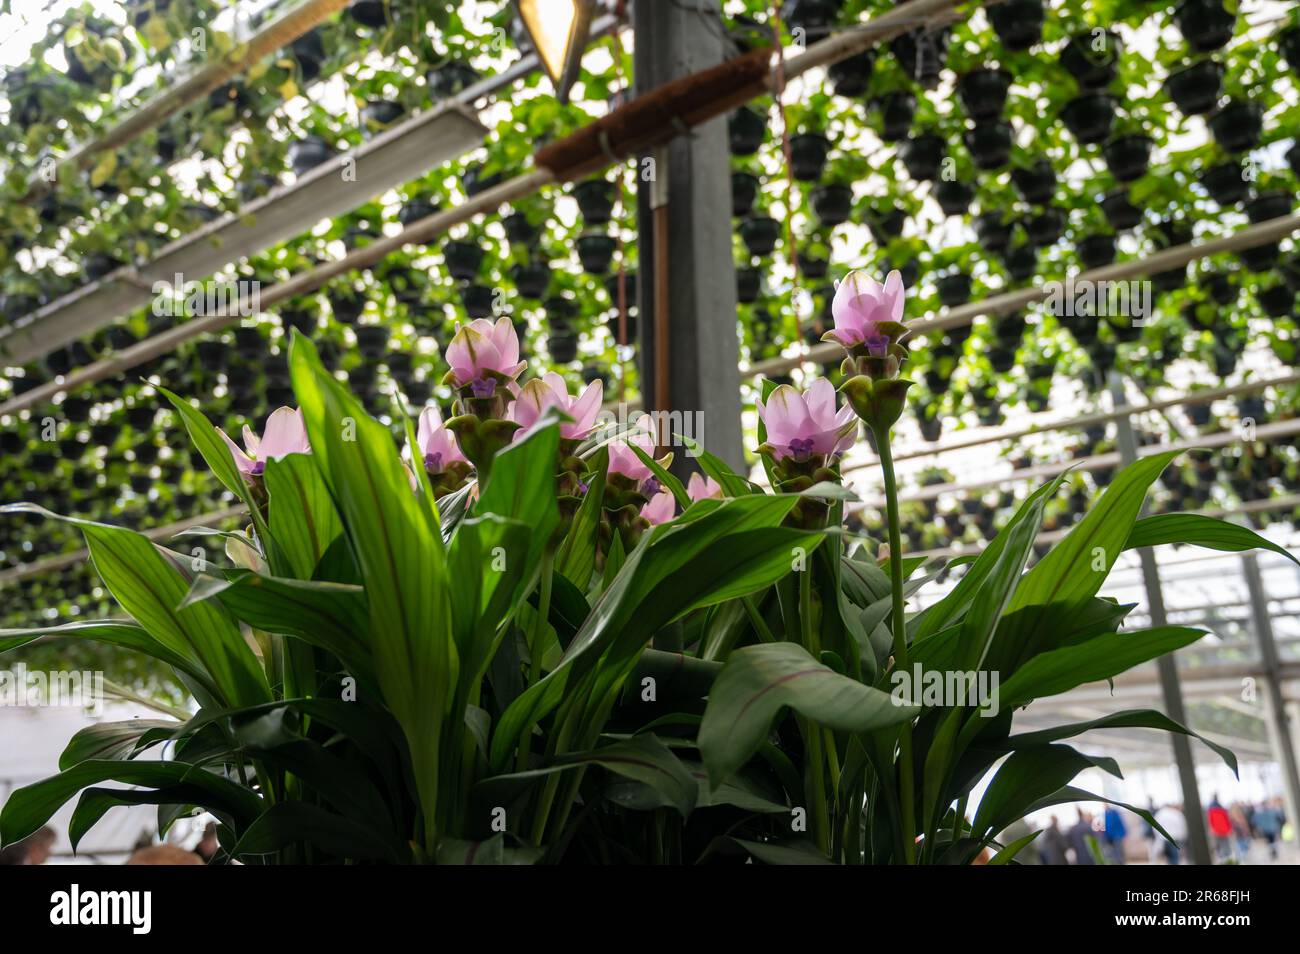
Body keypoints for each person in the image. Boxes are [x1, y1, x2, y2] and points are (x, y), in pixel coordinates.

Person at [1207, 797, 1232, 861]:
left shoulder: (1211, 812)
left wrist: (1212, 830)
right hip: (1224, 830)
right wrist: (1229, 829)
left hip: (1217, 831)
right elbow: (1227, 821)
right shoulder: (1223, 811)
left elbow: (1211, 822)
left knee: (1219, 843)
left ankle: (1222, 856)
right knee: (1225, 843)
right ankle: (1227, 856)